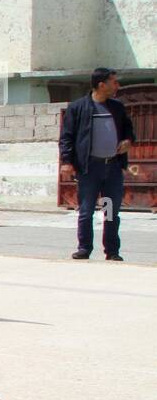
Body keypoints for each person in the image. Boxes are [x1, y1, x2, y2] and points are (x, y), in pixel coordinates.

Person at [60, 67, 136, 261]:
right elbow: (66, 137)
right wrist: (67, 161)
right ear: (102, 85)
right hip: (89, 169)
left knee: (110, 211)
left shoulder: (117, 107)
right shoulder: (78, 108)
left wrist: (128, 141)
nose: (117, 85)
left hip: (112, 168)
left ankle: (111, 251)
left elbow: (128, 130)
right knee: (86, 211)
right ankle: (84, 248)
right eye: (114, 82)